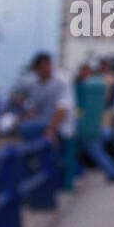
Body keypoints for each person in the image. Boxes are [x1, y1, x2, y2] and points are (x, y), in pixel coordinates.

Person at [21, 53, 78, 189]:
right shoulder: (35, 84)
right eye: (43, 66)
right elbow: (34, 107)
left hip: (62, 125)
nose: (47, 68)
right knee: (26, 131)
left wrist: (51, 129)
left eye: (49, 65)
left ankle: (54, 185)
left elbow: (62, 109)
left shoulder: (61, 81)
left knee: (61, 162)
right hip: (45, 123)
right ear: (36, 69)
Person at [76, 63, 114, 182]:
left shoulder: (93, 86)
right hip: (85, 125)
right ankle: (113, 172)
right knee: (94, 148)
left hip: (91, 126)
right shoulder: (81, 87)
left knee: (102, 142)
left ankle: (113, 171)